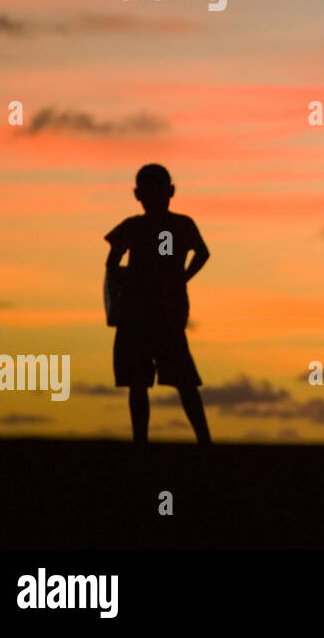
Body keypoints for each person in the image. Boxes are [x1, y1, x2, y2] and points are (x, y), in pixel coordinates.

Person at [105, 164, 210, 444]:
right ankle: (202, 440)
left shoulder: (140, 227)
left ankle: (151, 442)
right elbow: (202, 254)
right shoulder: (170, 225)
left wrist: (179, 278)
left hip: (149, 313)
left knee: (154, 382)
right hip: (154, 312)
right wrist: (181, 278)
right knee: (169, 381)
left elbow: (112, 264)